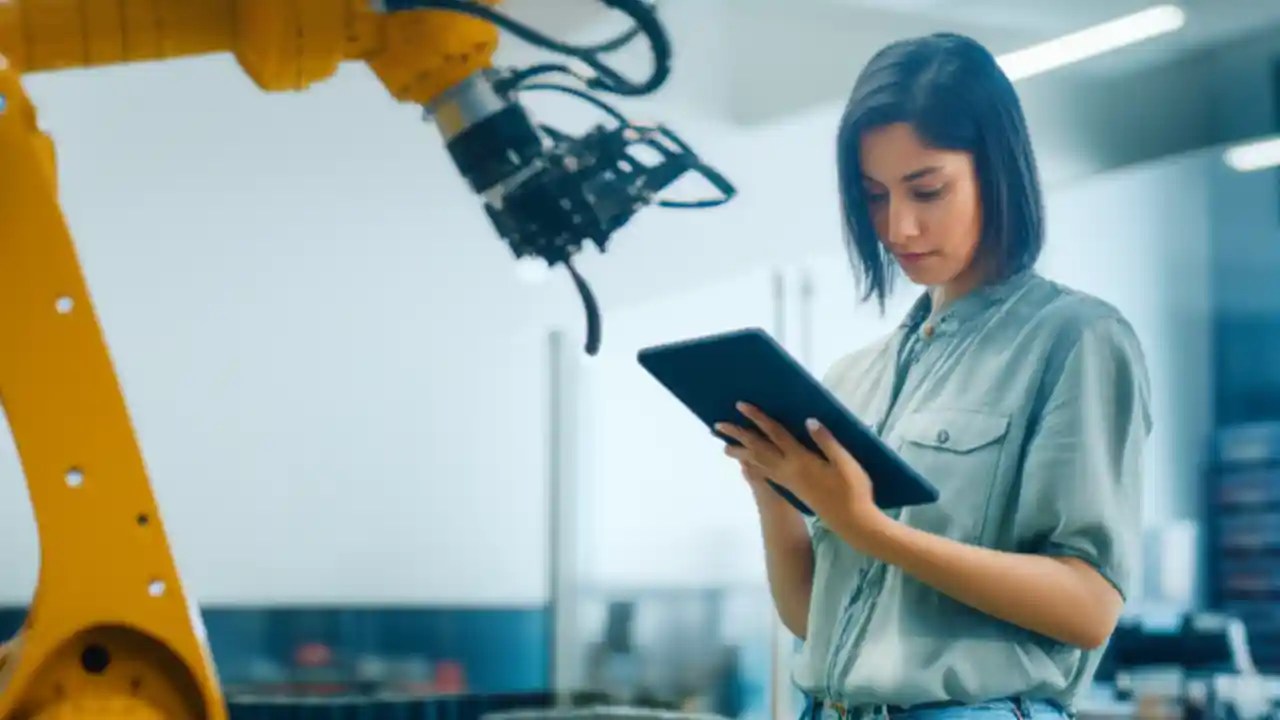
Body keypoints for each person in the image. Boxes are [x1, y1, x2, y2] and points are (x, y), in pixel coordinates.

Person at [713, 32, 1151, 720]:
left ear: (997, 169)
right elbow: (813, 623)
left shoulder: (1076, 340)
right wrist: (773, 490)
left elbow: (1090, 608)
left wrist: (868, 526)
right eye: (875, 196)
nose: (899, 226)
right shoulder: (854, 378)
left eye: (927, 189)